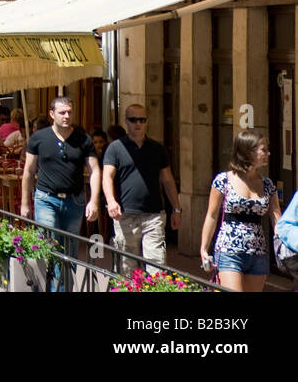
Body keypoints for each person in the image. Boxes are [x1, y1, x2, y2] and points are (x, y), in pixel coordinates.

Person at [21, 97, 101, 289]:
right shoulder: (39, 138)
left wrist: (94, 201)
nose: (66, 116)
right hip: (46, 198)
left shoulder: (84, 139)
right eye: (62, 112)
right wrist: (25, 203)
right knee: (50, 245)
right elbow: (29, 171)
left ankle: (63, 288)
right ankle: (47, 286)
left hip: (75, 201)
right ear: (52, 114)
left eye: (69, 112)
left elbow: (95, 171)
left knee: (70, 251)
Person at [102, 104, 183, 274]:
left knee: (157, 268)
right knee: (126, 269)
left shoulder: (157, 148)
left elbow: (167, 180)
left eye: (142, 120)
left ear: (147, 122)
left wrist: (176, 208)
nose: (137, 124)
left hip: (153, 216)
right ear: (126, 121)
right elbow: (107, 176)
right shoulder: (116, 148)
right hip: (125, 215)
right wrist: (111, 201)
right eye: (133, 120)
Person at [200, 129, 282, 292]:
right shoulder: (223, 180)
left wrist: (283, 244)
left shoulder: (268, 185)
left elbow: (276, 217)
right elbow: (212, 215)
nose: (268, 153)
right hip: (229, 250)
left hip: (258, 252)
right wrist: (203, 248)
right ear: (248, 152)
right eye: (263, 150)